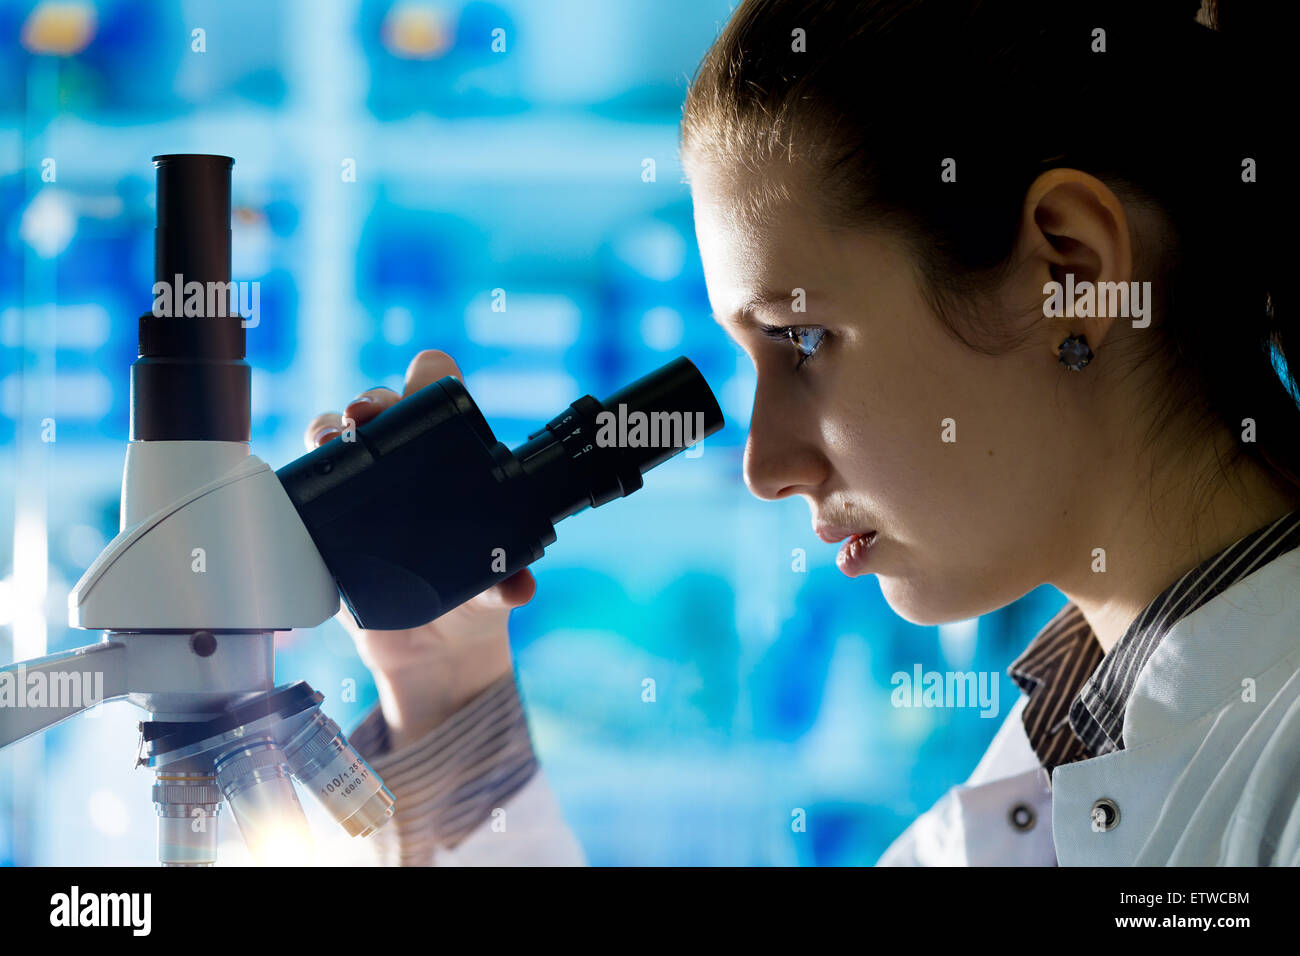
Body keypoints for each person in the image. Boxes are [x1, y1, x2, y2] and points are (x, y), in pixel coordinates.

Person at [310, 0, 1300, 865]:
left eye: (803, 338)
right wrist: (445, 683)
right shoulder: (1079, 742)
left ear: (1071, 274)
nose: (764, 466)